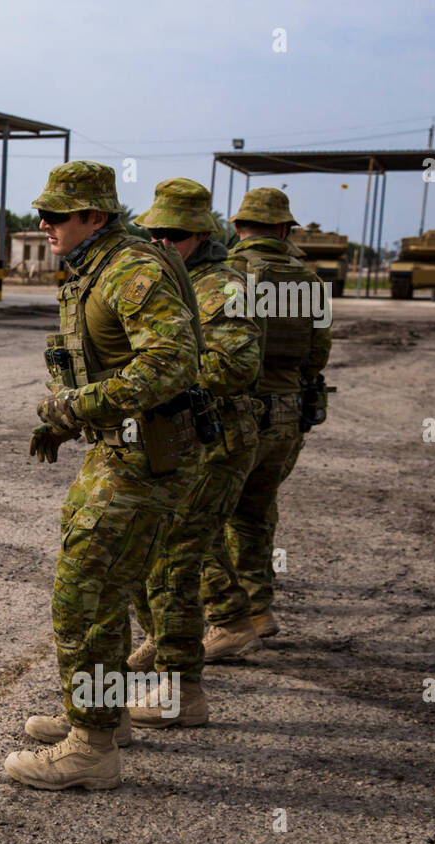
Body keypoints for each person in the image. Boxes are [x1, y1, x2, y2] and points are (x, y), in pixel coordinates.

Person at [6, 162, 202, 790]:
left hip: (145, 457)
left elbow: (171, 365)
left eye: (56, 215)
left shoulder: (131, 269)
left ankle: (90, 748)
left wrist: (74, 407)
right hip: (123, 450)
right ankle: (105, 719)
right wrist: (70, 422)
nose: (44, 224)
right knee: (106, 594)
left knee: (82, 597)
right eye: (42, 213)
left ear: (95, 216)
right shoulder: (98, 268)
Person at [125, 179, 261, 719]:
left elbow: (236, 366)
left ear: (199, 236)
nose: (160, 241)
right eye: (153, 231)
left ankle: (182, 691)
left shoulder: (219, 286)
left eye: (172, 234)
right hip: (184, 438)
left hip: (220, 439)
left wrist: (159, 370)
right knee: (152, 549)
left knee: (174, 557)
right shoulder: (177, 279)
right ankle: (167, 643)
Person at [199, 188, 332, 656]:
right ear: (283, 229)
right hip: (290, 413)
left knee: (206, 516)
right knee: (256, 514)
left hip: (241, 413)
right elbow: (318, 354)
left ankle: (228, 615)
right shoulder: (312, 282)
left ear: (238, 228)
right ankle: (259, 608)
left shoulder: (230, 275)